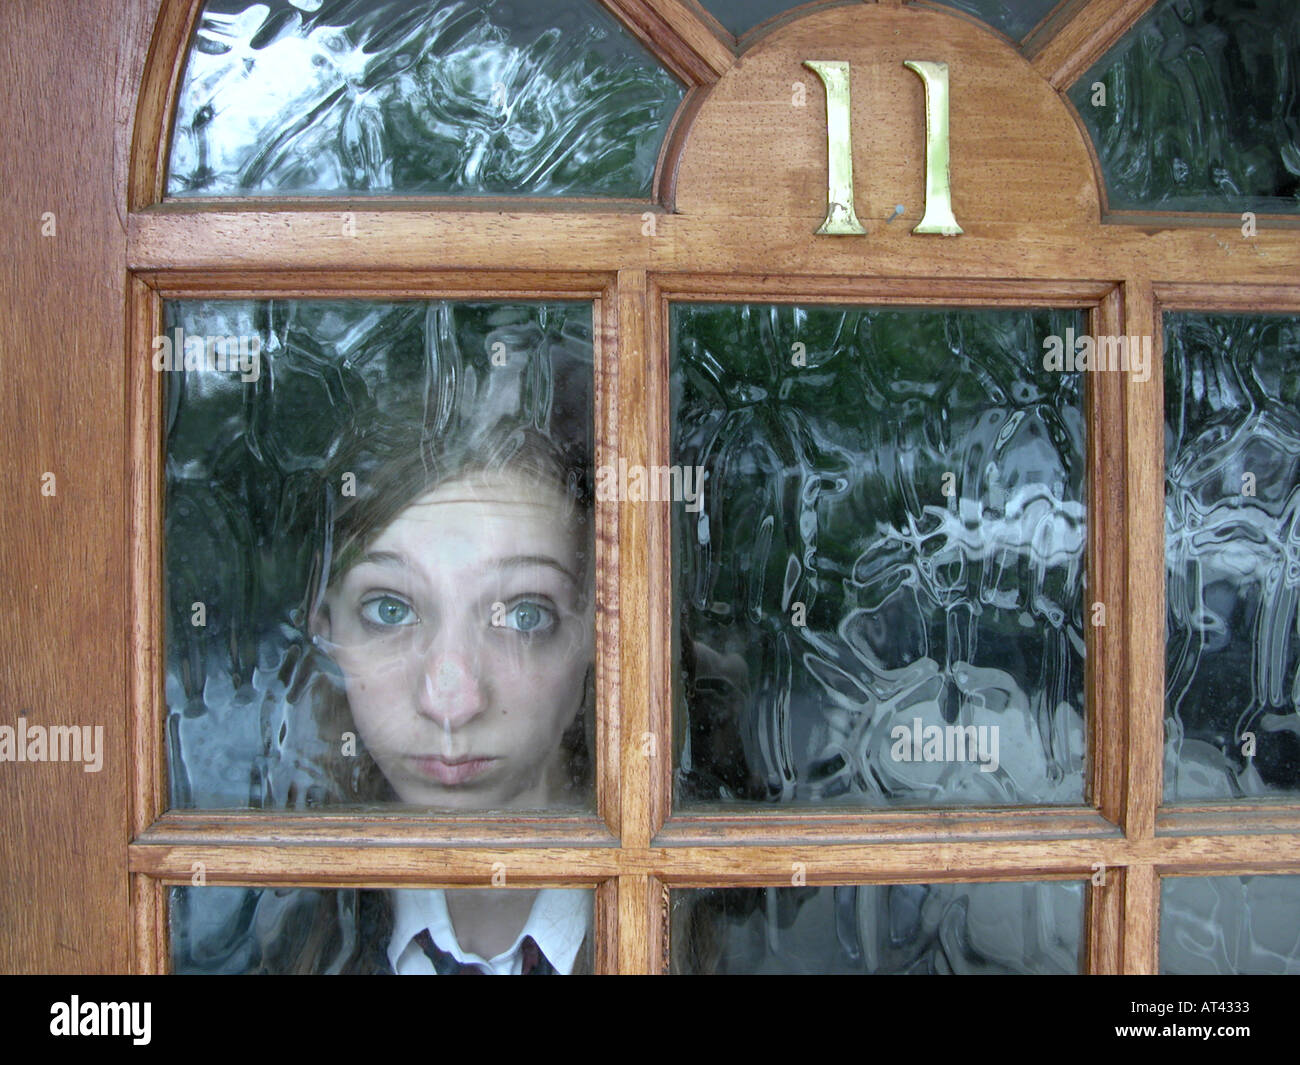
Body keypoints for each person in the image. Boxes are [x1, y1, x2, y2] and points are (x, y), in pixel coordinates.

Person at [258, 416, 597, 974]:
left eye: (524, 614)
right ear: (325, 629)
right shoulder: (273, 923)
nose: (451, 703)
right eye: (389, 610)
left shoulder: (752, 944)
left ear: (594, 640)